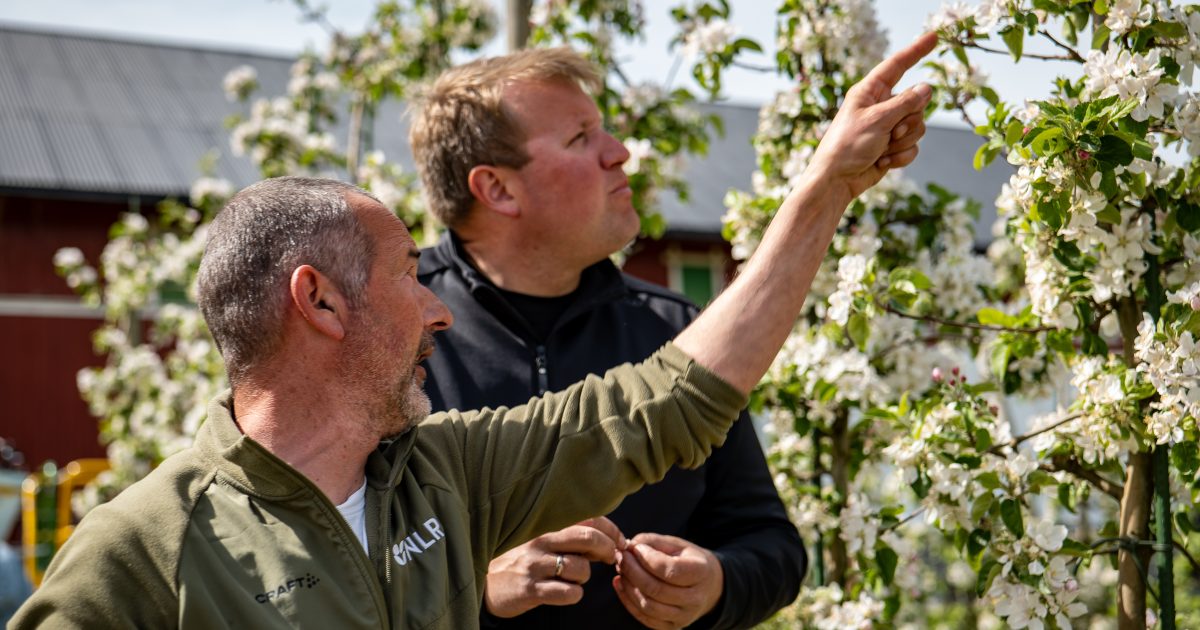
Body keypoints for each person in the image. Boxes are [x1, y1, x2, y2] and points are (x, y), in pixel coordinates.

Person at [10, 32, 935, 630]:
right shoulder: (144, 551)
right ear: (322, 303)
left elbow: (669, 403)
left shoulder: (444, 475)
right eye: (410, 275)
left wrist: (824, 189)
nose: (437, 309)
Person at [409, 47, 805, 629]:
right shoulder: (394, 330)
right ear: (497, 189)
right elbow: (333, 559)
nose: (620, 152)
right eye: (580, 138)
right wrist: (471, 586)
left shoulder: (677, 332)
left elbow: (771, 546)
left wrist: (717, 583)